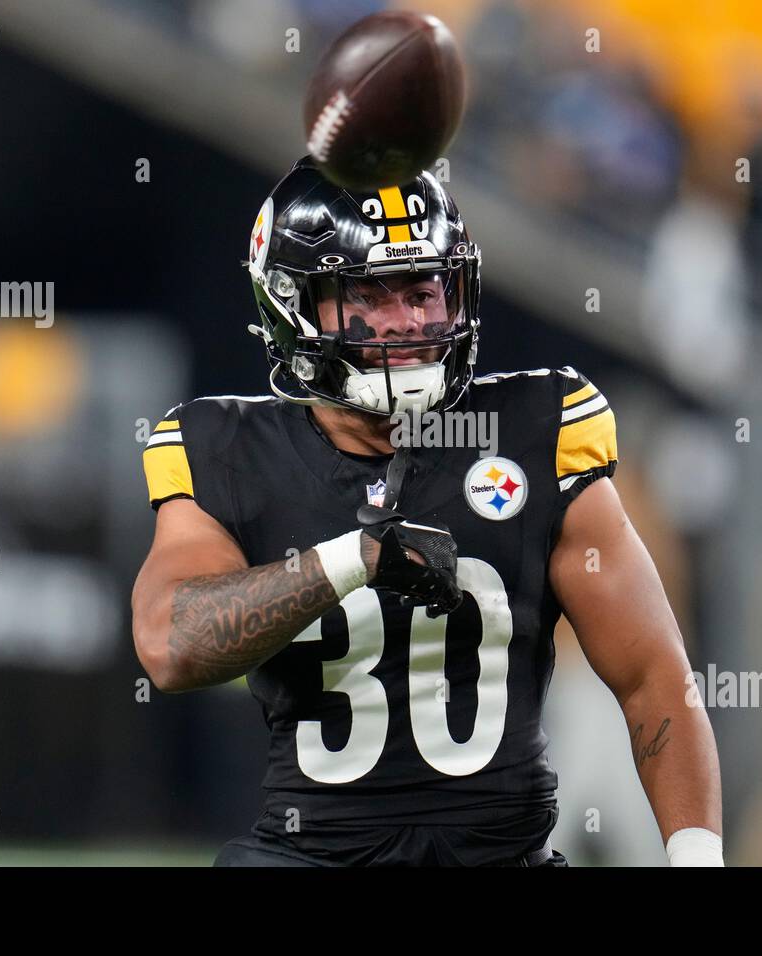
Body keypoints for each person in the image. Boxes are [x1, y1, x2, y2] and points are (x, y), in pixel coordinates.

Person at [132, 156, 723, 866]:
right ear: (292, 305)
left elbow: (653, 675)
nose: (408, 321)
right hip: (315, 858)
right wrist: (354, 559)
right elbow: (171, 645)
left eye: (424, 290)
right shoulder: (229, 448)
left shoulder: (535, 431)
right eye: (371, 296)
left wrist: (698, 859)